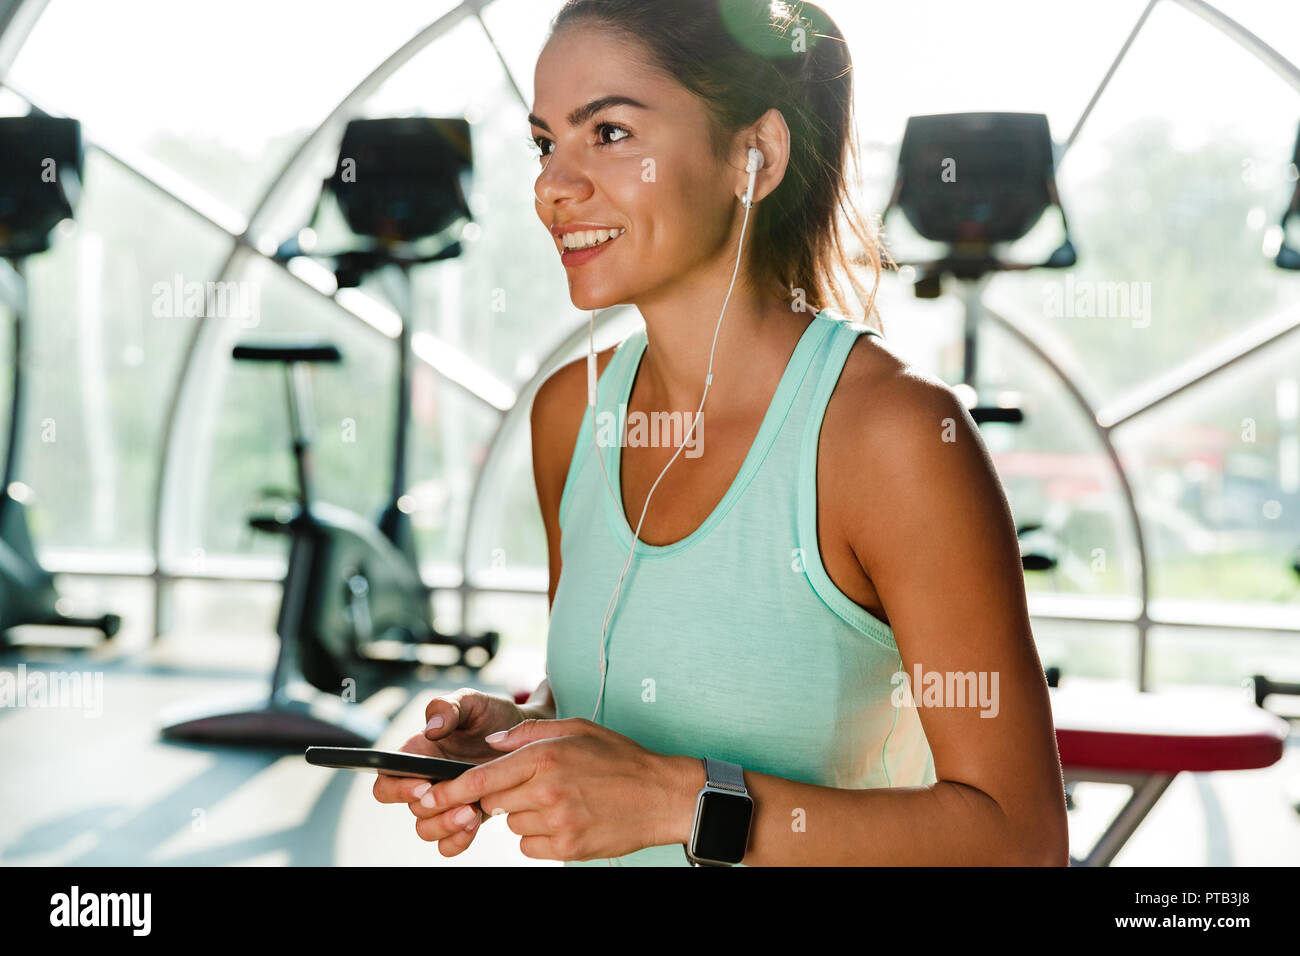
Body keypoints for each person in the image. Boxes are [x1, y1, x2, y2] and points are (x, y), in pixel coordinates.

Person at [374, 0, 1068, 866]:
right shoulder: (572, 412)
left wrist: (686, 802)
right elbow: (633, 694)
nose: (553, 186)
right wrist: (523, 740)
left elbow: (1021, 839)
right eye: (546, 142)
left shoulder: (888, 436)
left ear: (756, 155)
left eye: (612, 133)